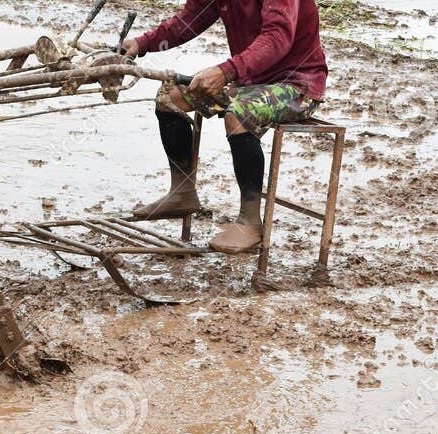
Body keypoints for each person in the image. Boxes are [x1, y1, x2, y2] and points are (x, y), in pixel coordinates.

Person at [123, 0, 328, 254]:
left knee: (238, 113)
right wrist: (142, 43)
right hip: (250, 80)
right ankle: (182, 191)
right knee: (170, 97)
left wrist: (226, 71)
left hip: (297, 84)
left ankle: (250, 222)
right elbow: (188, 21)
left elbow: (277, 38)